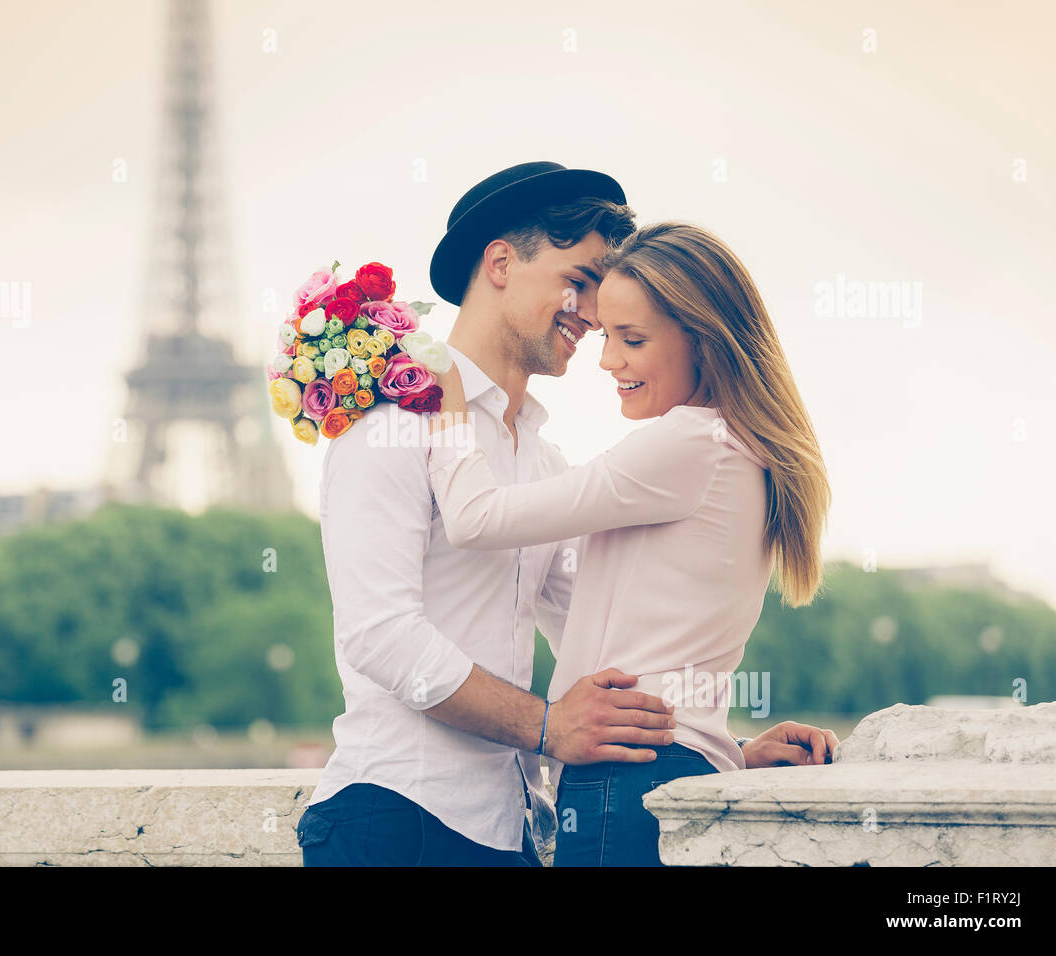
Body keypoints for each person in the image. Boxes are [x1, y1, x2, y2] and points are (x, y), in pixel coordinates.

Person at [298, 162, 835, 867]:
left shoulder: (543, 463)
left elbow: (602, 631)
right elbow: (380, 636)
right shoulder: (393, 426)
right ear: (500, 263)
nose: (590, 309)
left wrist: (712, 746)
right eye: (577, 280)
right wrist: (548, 725)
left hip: (509, 829)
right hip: (394, 815)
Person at [424, 220, 836, 866]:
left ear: (703, 339)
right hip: (670, 766)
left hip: (623, 777)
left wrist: (447, 407)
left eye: (632, 339)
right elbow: (632, 629)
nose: (609, 361)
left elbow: (474, 518)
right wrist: (727, 749)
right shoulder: (740, 450)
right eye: (606, 336)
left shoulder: (686, 443)